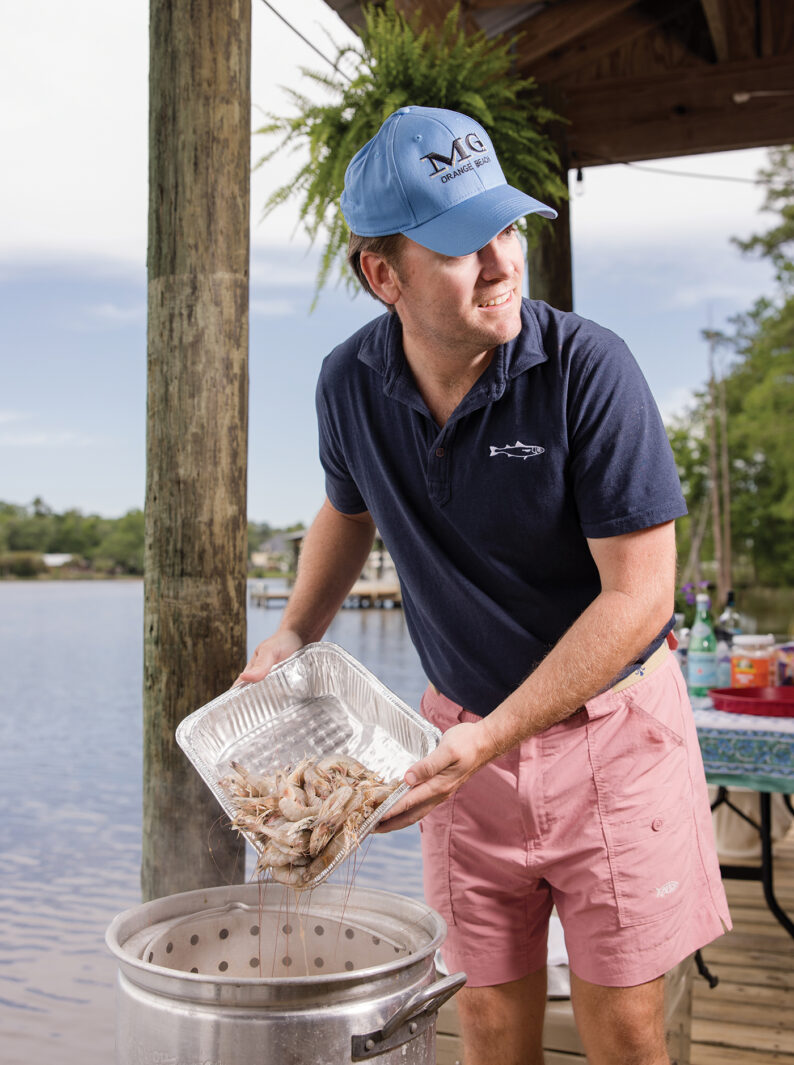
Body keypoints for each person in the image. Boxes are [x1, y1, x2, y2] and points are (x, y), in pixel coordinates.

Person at [238, 106, 730, 1065]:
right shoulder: (348, 385)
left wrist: (493, 735)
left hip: (612, 739)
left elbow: (641, 598)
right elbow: (348, 509)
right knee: (489, 1018)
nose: (504, 260)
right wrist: (295, 630)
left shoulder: (592, 369)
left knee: (625, 1028)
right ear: (383, 275)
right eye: (464, 243)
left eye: (506, 225)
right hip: (452, 747)